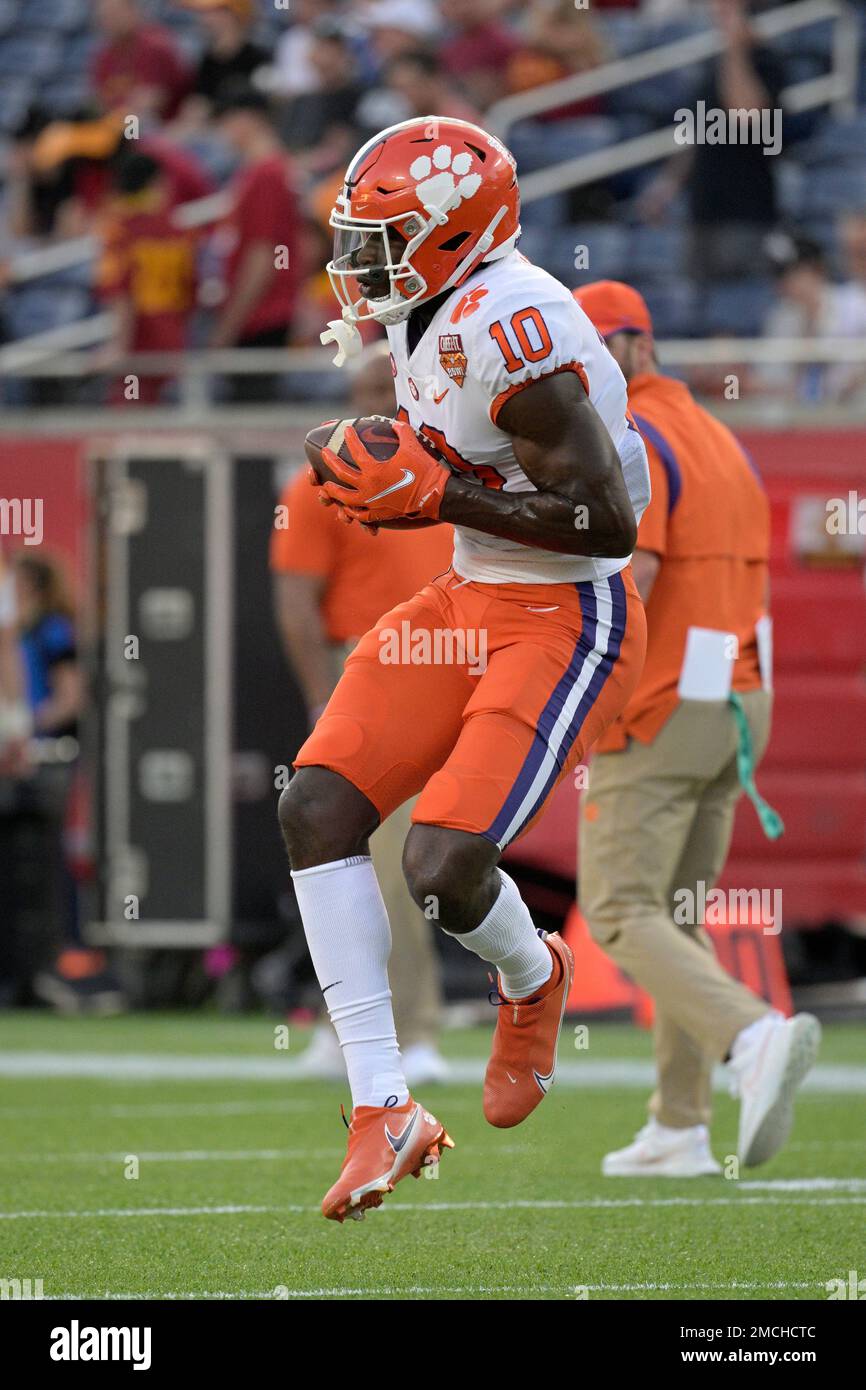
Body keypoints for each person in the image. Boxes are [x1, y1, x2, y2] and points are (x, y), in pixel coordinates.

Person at [277, 116, 651, 1222]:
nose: (357, 267)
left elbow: (603, 521)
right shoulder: (429, 306)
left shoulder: (517, 321)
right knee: (315, 806)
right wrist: (376, 468)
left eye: (382, 241)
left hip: (563, 614)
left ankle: (532, 974)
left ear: (455, 236)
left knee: (440, 864)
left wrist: (439, 495)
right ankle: (382, 1107)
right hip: (467, 595)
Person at [573, 279, 820, 1177]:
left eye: (589, 350)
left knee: (620, 909)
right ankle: (679, 1124)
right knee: (677, 910)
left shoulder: (633, 435)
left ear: (631, 347)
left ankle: (751, 1039)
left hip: (667, 695)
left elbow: (630, 577)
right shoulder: (721, 436)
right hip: (737, 700)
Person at [271, 345, 453, 1086]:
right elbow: (295, 607)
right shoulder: (318, 483)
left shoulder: (448, 471)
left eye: (395, 385)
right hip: (368, 671)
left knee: (391, 861)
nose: (385, 399)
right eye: (372, 386)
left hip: (438, 670)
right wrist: (324, 696)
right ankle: (396, 1029)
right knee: (353, 859)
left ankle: (393, 1026)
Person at [210, 85, 301, 396]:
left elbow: (263, 255)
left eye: (225, 121)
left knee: (249, 419)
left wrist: (228, 326)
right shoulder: (266, 171)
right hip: (263, 311)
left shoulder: (266, 174)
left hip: (262, 314)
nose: (222, 133)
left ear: (247, 119)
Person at [98, 152, 199, 404]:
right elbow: (190, 292)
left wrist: (118, 346)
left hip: (138, 349)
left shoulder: (119, 229)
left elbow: (120, 290)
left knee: (127, 434)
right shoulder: (180, 230)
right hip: (174, 346)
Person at [91, 0, 192, 120]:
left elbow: (154, 101)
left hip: (164, 126)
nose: (110, 21)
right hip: (121, 123)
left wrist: (119, 116)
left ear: (134, 12)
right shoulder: (104, 55)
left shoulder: (155, 46)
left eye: (115, 13)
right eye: (104, 16)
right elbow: (99, 101)